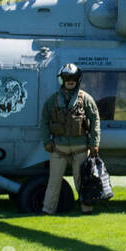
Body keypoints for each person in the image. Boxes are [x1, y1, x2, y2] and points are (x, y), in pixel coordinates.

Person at [40, 63, 100, 215]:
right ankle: (47, 210)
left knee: (82, 181)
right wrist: (47, 142)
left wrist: (94, 144)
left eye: (73, 78)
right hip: (58, 149)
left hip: (81, 149)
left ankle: (86, 209)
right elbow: (44, 121)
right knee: (53, 183)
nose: (70, 81)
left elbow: (95, 121)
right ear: (62, 79)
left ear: (77, 79)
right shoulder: (52, 101)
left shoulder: (86, 99)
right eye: (67, 78)